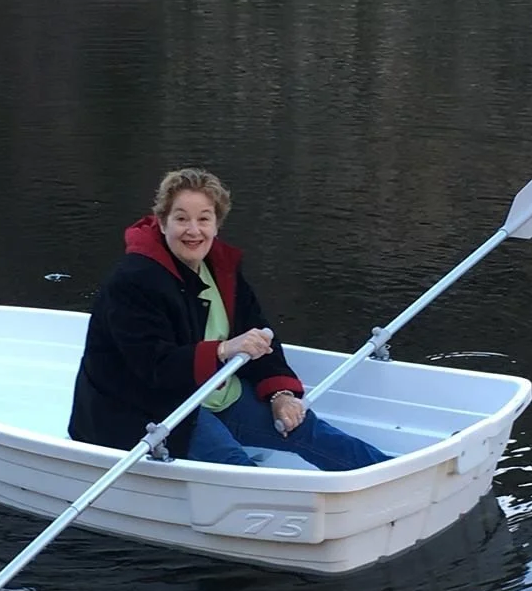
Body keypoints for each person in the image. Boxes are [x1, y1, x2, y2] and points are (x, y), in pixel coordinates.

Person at [68, 167, 389, 469]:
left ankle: (390, 476)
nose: (193, 231)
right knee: (234, 464)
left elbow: (259, 334)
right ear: (162, 223)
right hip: (144, 407)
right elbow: (154, 366)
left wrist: (280, 394)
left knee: (305, 430)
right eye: (181, 219)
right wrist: (223, 350)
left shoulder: (220, 268)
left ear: (216, 224)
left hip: (214, 395)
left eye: (204, 219)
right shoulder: (133, 280)